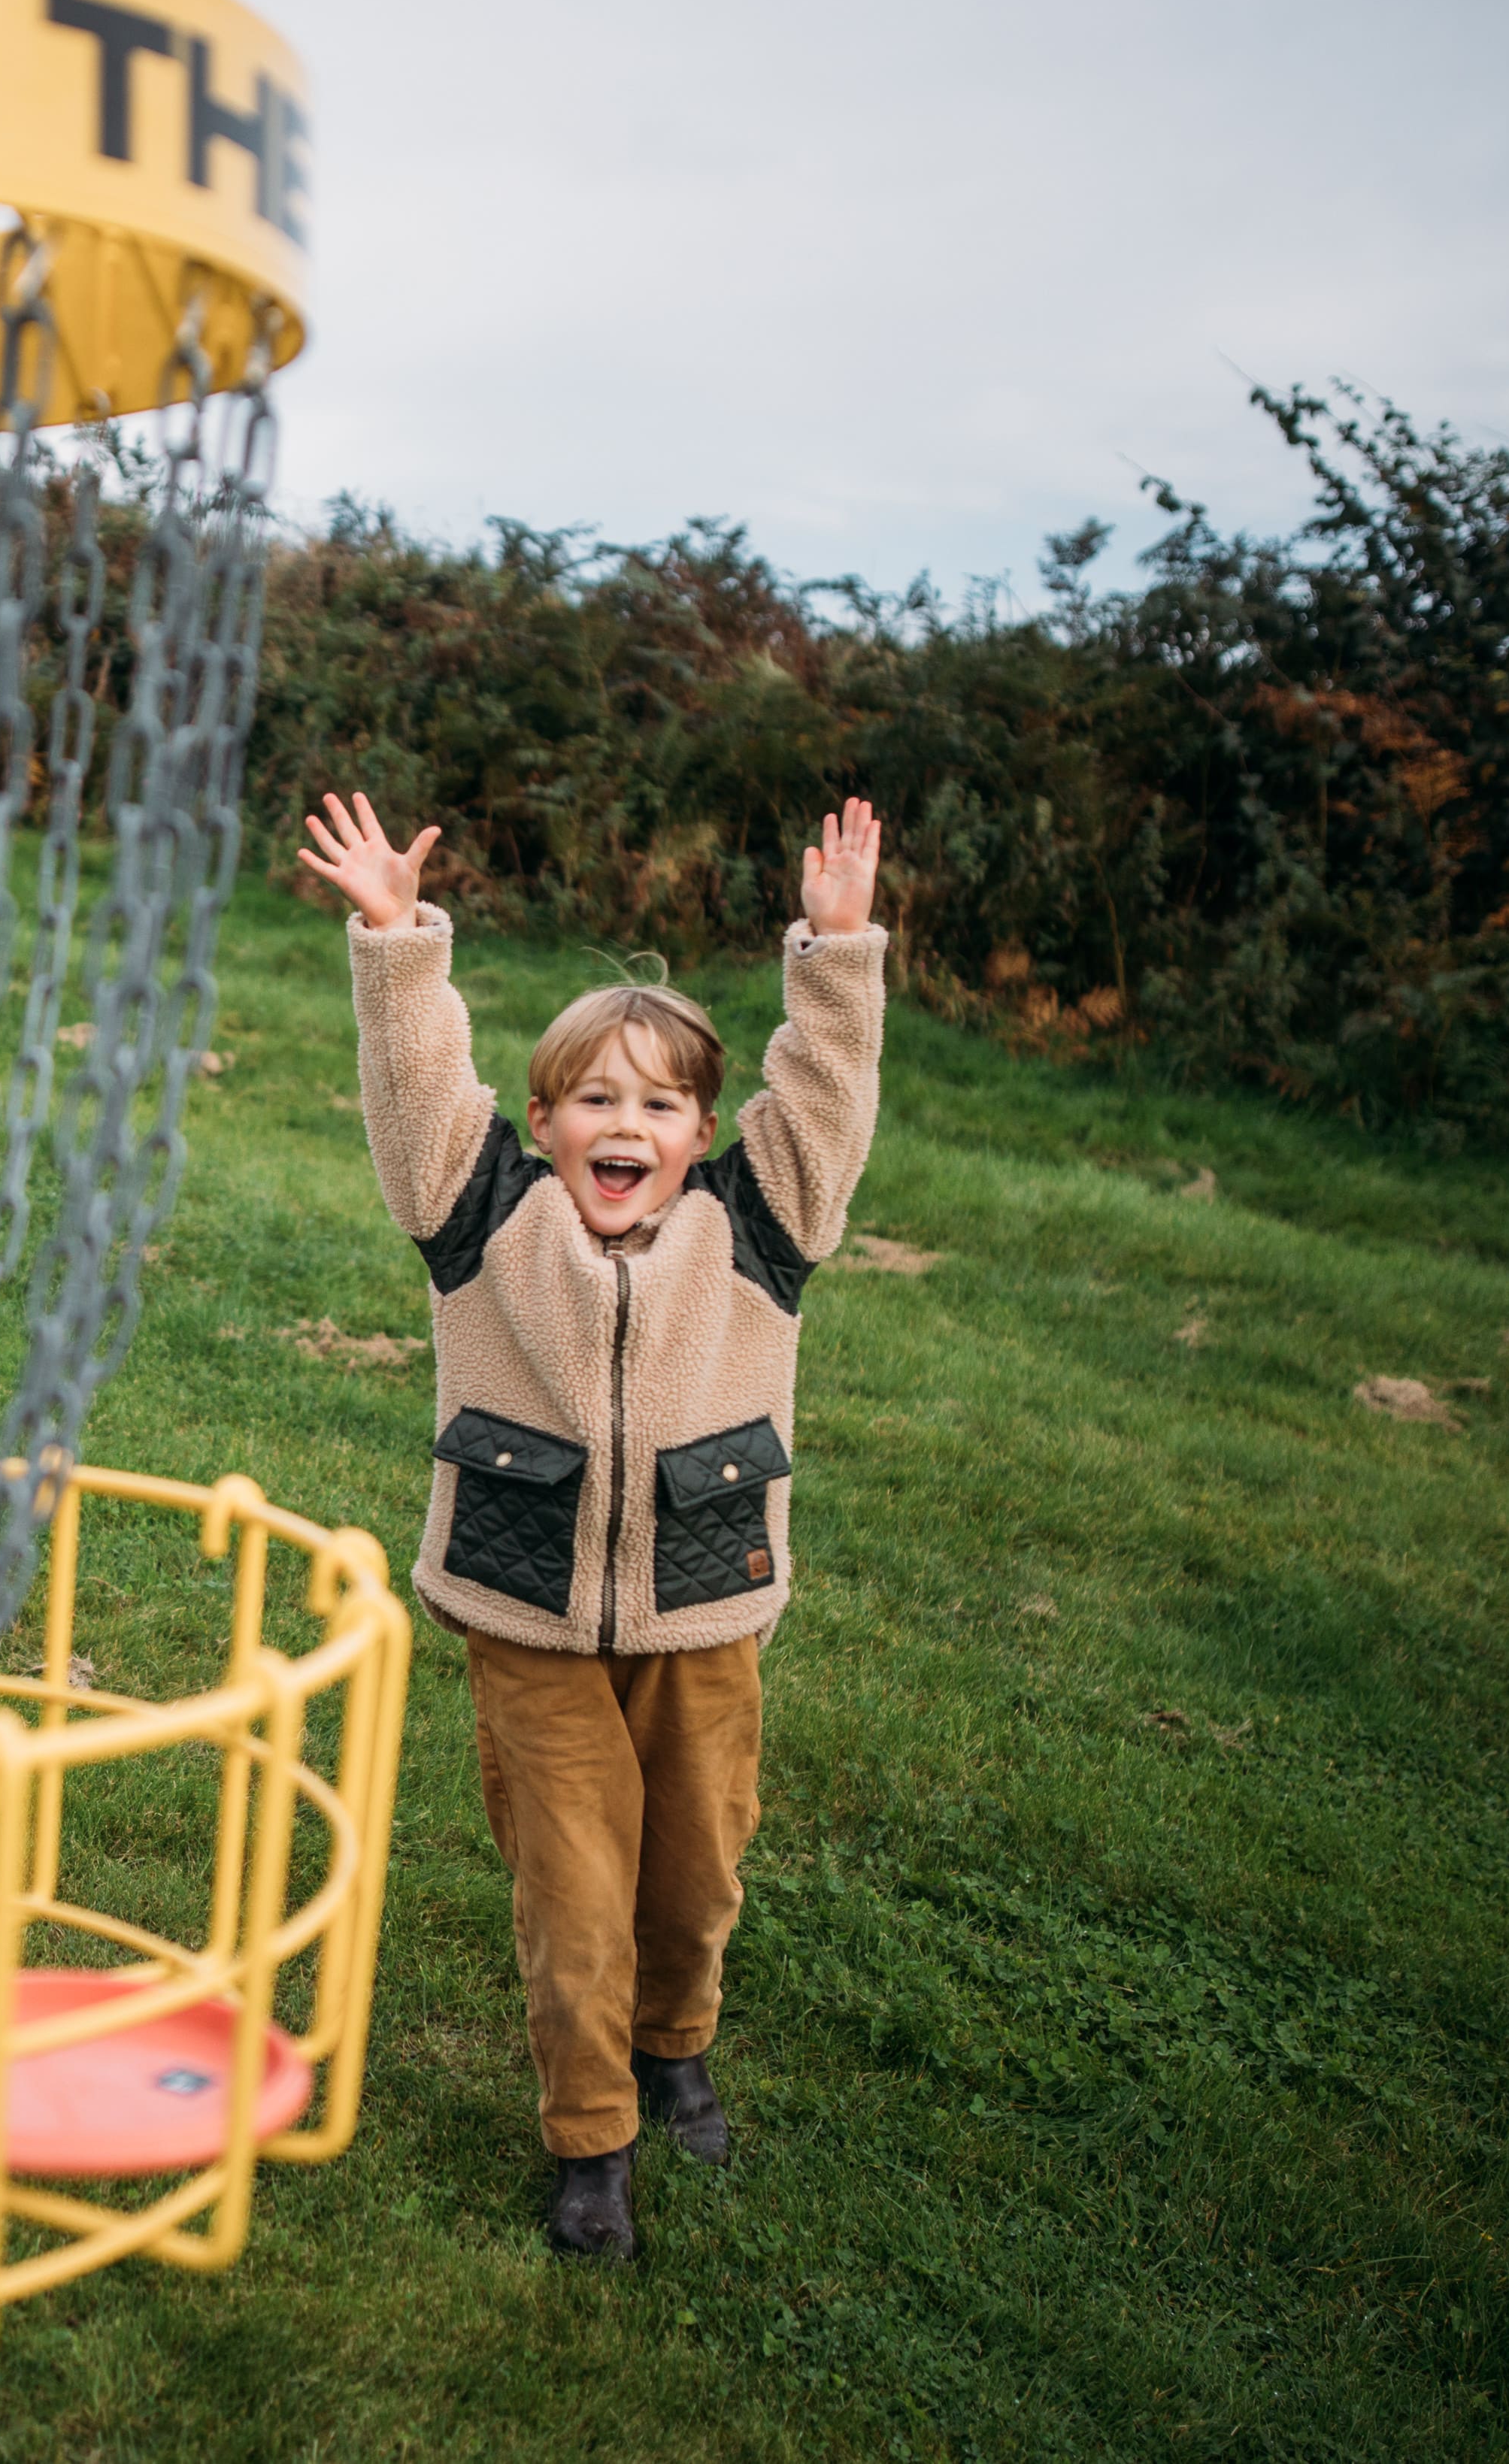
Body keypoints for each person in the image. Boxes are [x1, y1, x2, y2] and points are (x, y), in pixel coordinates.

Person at [298, 789, 888, 2262]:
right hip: (528, 1616)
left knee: (691, 1874)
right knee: (573, 1889)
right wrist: (397, 939)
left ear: (703, 1132)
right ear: (544, 1119)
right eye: (594, 1101)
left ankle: (675, 2044)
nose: (625, 1124)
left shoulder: (760, 1231)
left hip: (702, 1611)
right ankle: (593, 2141)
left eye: (659, 1104)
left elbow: (824, 1101)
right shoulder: (481, 1217)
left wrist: (834, 955)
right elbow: (419, 1090)